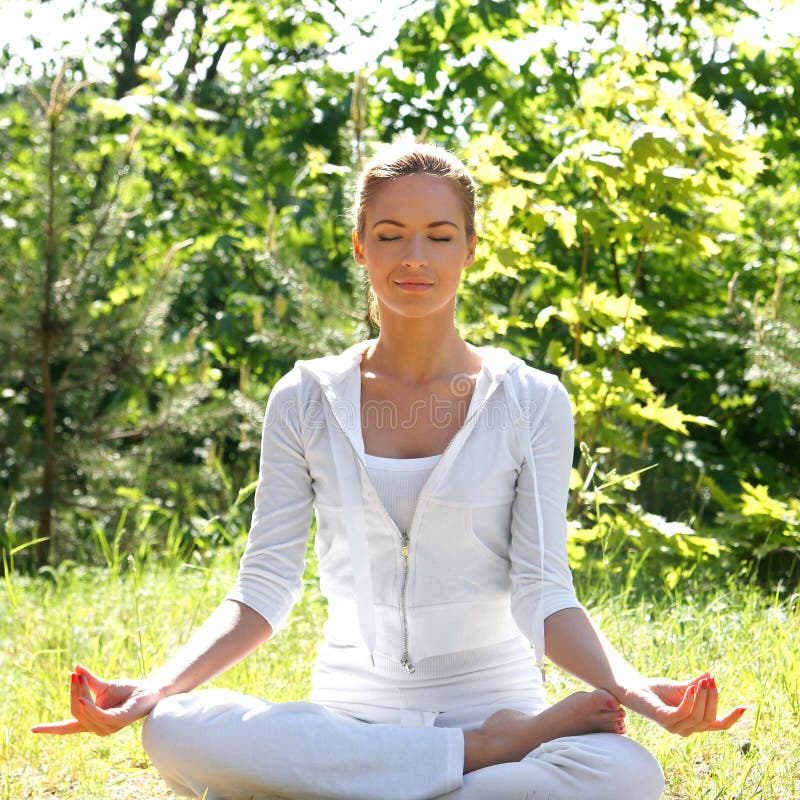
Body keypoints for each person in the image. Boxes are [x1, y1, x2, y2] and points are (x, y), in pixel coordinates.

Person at [33, 142, 745, 800]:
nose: (415, 257)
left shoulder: (531, 400)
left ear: (470, 247)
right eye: (390, 234)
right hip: (352, 719)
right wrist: (154, 689)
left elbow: (544, 593)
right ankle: (470, 757)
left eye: (440, 235)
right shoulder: (306, 397)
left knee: (625, 774)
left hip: (495, 703)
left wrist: (635, 691)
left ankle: (396, 777)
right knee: (174, 728)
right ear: (359, 246)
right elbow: (263, 589)